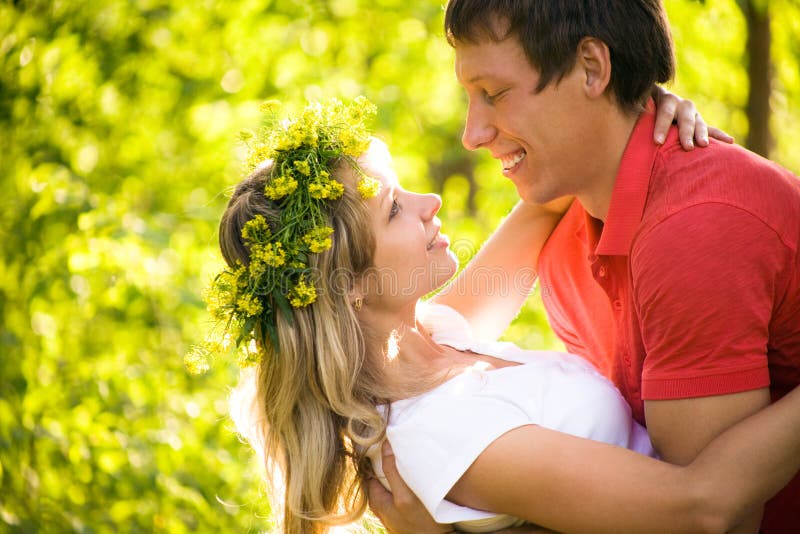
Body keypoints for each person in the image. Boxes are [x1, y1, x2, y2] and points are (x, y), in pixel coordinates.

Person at [204, 98, 800, 534]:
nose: (429, 202)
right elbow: (703, 509)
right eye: (393, 211)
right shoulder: (442, 433)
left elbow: (555, 193)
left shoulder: (438, 334)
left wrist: (647, 111)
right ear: (350, 285)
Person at [369, 1, 800, 533]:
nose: (471, 133)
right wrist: (624, 114)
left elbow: (713, 515)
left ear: (593, 68)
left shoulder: (689, 226)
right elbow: (692, 509)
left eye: (494, 94)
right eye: (391, 209)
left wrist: (636, 103)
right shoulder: (563, 230)